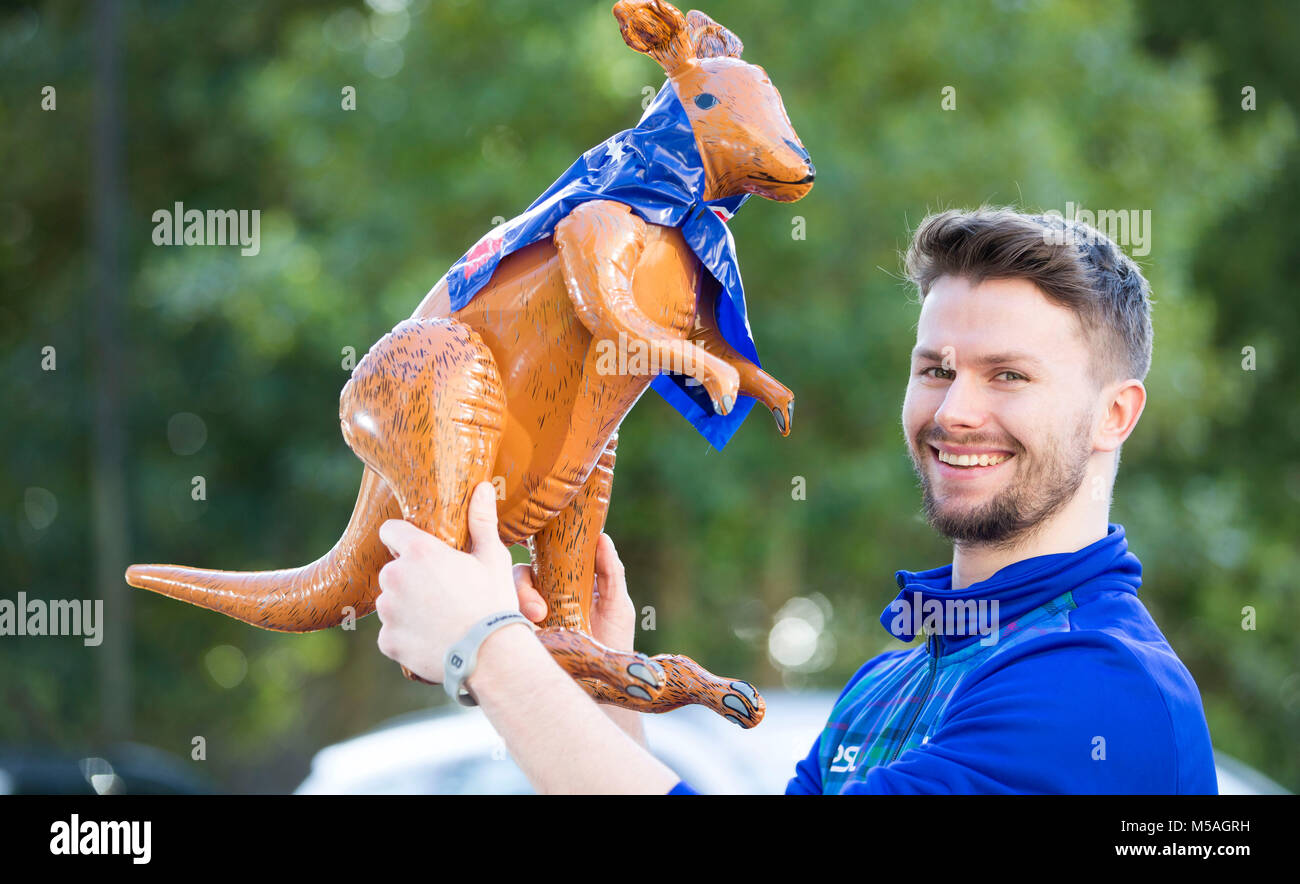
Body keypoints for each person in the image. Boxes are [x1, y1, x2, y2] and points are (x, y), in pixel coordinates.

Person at [372, 206, 1218, 794]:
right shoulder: (888, 684)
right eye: (935, 370)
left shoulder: (1103, 687)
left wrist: (486, 647)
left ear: (1115, 414)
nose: (955, 409)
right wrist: (605, 688)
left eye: (1009, 376)